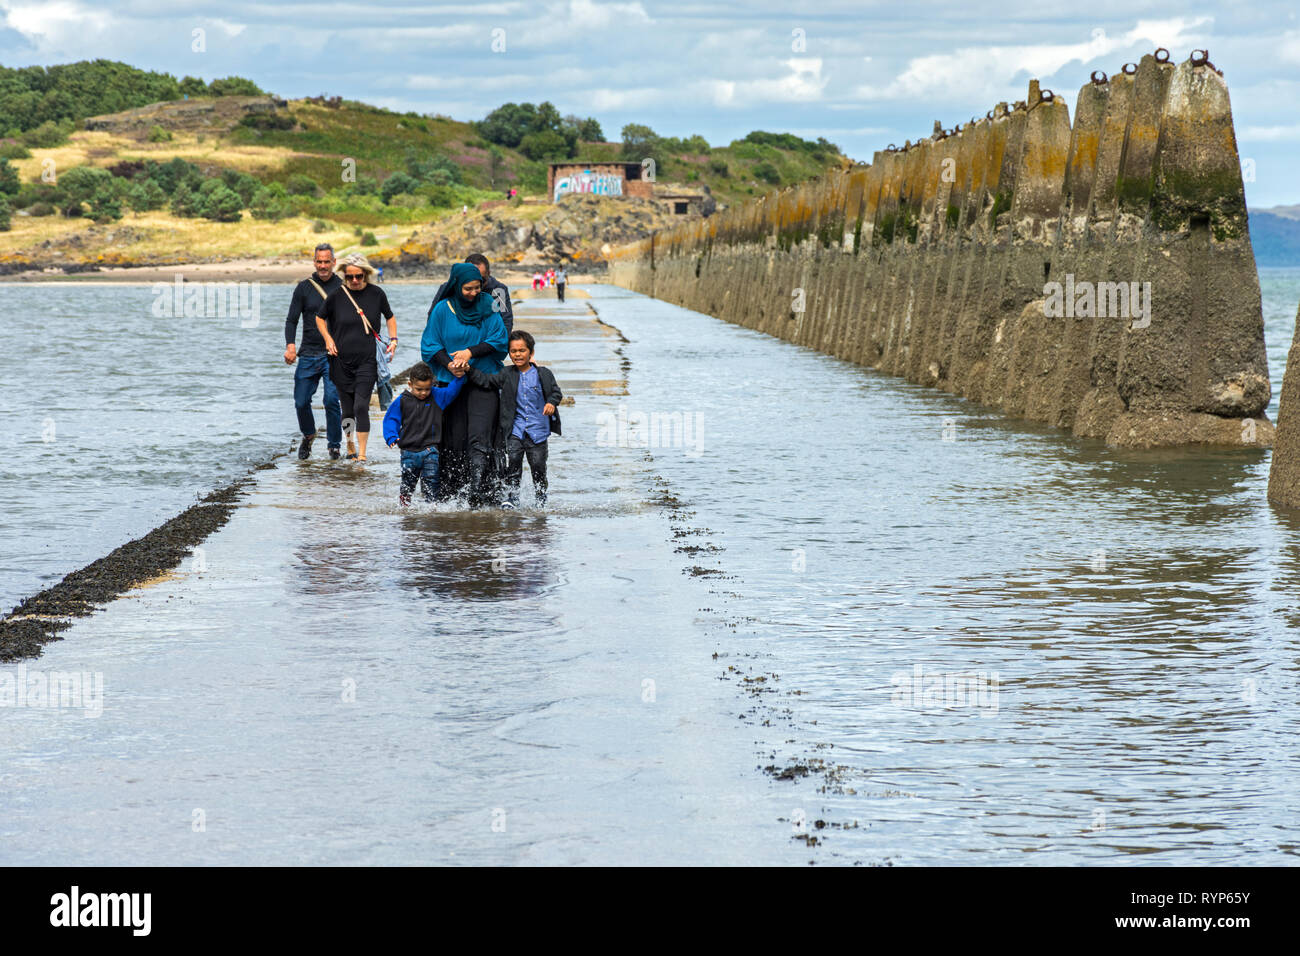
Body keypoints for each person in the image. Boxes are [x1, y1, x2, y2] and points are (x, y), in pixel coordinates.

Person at [420, 261, 508, 505]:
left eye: (477, 288)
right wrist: (448, 364)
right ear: (457, 286)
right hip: (451, 383)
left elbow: (500, 339)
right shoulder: (441, 309)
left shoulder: (490, 304)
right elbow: (430, 344)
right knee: (454, 440)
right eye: (467, 288)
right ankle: (452, 496)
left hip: (483, 381)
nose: (472, 293)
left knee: (481, 439)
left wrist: (470, 352)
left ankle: (483, 494)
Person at [315, 253, 397, 464]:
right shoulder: (336, 295)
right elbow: (319, 318)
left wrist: (394, 339)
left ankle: (362, 453)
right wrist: (327, 340)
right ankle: (349, 441)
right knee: (348, 409)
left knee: (361, 406)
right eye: (350, 276)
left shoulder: (377, 294)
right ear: (344, 275)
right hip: (340, 361)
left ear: (366, 274)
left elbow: (390, 317)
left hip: (367, 360)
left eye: (359, 276)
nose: (354, 280)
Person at [466, 330, 562, 509]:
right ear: (509, 353)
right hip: (515, 431)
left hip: (538, 433)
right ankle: (512, 498)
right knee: (514, 466)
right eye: (513, 351)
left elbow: (556, 392)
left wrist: (551, 403)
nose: (517, 354)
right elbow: (487, 381)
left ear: (531, 353)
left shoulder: (544, 374)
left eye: (522, 350)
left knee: (538, 468)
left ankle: (541, 499)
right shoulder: (507, 374)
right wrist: (469, 370)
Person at [284, 243, 344, 460]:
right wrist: (290, 345)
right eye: (319, 261)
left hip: (334, 355)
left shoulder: (343, 287)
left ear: (334, 263)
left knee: (331, 400)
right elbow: (292, 320)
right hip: (307, 353)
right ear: (314, 262)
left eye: (327, 261)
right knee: (301, 401)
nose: (323, 266)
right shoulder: (304, 287)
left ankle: (334, 446)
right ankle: (309, 435)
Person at [382, 362, 464, 505]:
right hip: (408, 452)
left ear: (432, 384)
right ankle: (404, 508)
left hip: (430, 450)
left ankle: (431, 509)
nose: (423, 393)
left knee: (432, 483)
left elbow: (452, 391)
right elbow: (390, 419)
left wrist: (460, 377)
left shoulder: (437, 396)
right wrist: (391, 436)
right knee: (407, 485)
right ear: (410, 384)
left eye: (427, 389)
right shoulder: (402, 400)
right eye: (419, 389)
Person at [429, 253, 514, 334]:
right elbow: (433, 318)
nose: (476, 285)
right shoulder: (448, 288)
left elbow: (506, 322)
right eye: (470, 280)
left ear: (489, 273)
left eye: (481, 280)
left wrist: (496, 345)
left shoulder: (498, 290)